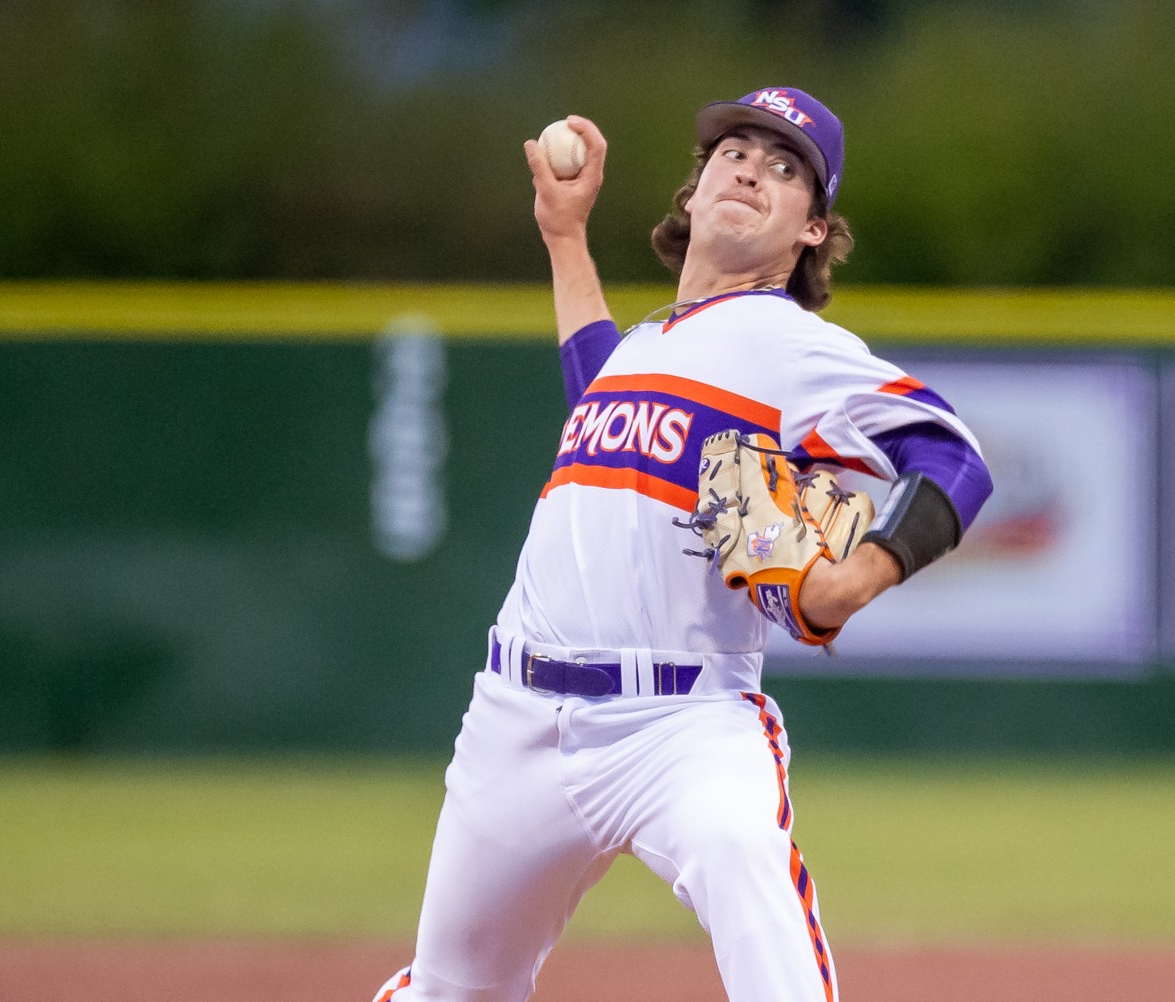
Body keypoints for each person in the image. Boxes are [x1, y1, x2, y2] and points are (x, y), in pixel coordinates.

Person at [373, 87, 993, 1002]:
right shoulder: (646, 342)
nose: (750, 169)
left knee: (753, 889)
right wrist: (563, 237)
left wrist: (855, 577)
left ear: (812, 232)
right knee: (451, 991)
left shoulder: (791, 345)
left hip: (682, 722)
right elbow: (594, 380)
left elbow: (953, 454)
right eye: (733, 154)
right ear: (693, 193)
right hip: (516, 714)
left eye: (786, 169)